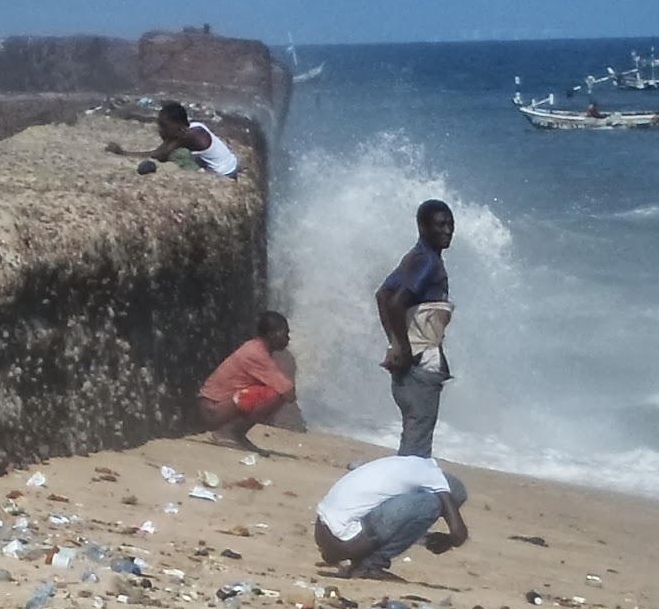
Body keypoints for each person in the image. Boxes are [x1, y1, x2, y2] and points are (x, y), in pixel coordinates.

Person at [376, 199, 456, 458]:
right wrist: (404, 347)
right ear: (423, 227)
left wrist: (396, 344)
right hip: (421, 361)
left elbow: (383, 295)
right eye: (440, 225)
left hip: (410, 359)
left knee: (413, 432)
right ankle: (406, 491)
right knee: (418, 440)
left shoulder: (415, 257)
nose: (447, 230)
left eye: (450, 225)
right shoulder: (428, 262)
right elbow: (396, 301)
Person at [313, 454, 468, 578]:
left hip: (323, 534)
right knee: (432, 505)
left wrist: (425, 539)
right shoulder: (435, 481)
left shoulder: (413, 466)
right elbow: (458, 533)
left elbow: (393, 525)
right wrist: (449, 540)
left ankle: (353, 558)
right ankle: (371, 565)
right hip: (343, 542)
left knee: (414, 506)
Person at [197, 311, 296, 454]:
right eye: (284, 333)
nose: (288, 339)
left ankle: (237, 434)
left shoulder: (255, 347)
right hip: (213, 409)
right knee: (274, 394)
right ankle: (229, 432)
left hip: (215, 405)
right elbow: (288, 392)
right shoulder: (256, 353)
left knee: (267, 390)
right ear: (272, 333)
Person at [105, 101, 240, 178]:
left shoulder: (188, 136)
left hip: (226, 174)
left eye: (164, 126)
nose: (161, 130)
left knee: (179, 157)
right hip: (231, 165)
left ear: (179, 125)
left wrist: (123, 153)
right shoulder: (194, 127)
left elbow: (159, 155)